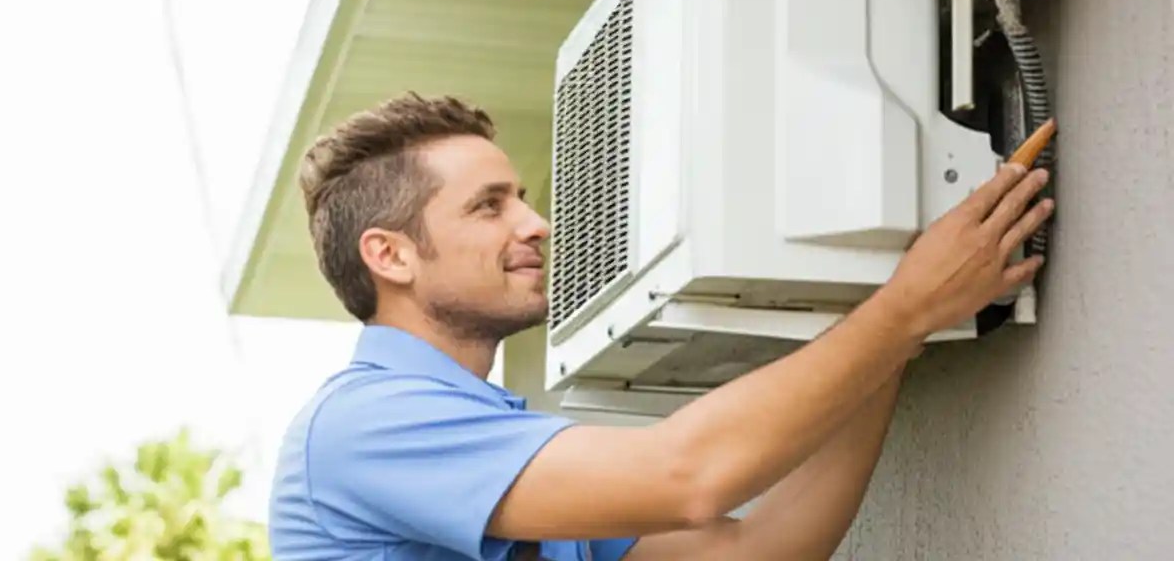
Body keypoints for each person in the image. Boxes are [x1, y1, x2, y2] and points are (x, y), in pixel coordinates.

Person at [267, 93, 1054, 560]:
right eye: (489, 204)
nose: (537, 224)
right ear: (390, 256)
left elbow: (761, 551)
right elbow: (688, 476)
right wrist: (906, 305)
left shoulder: (492, 446)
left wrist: (903, 328)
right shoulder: (364, 426)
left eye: (521, 197)